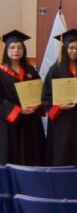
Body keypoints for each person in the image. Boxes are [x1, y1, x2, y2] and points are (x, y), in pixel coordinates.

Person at [42, 29, 77, 165]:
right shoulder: (55, 69)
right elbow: (46, 96)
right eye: (71, 48)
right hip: (62, 121)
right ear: (64, 48)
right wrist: (59, 106)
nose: (74, 51)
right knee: (62, 154)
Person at [0, 30, 45, 165]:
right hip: (11, 124)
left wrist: (38, 104)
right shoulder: (1, 72)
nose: (16, 51)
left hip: (31, 121)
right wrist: (18, 110)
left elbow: (40, 92)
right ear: (6, 50)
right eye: (12, 47)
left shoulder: (31, 71)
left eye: (20, 47)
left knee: (32, 156)